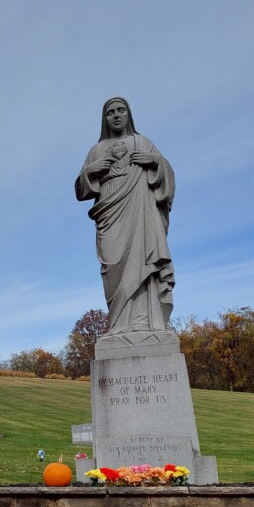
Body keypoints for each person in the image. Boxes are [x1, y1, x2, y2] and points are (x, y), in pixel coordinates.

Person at [75, 98, 175, 336]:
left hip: (140, 209)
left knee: (143, 259)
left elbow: (169, 177)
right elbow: (80, 190)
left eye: (121, 110)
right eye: (110, 112)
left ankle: (143, 323)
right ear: (105, 119)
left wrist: (155, 162)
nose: (116, 115)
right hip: (109, 212)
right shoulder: (96, 150)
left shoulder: (142, 142)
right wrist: (91, 172)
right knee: (113, 267)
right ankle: (119, 324)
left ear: (128, 114)